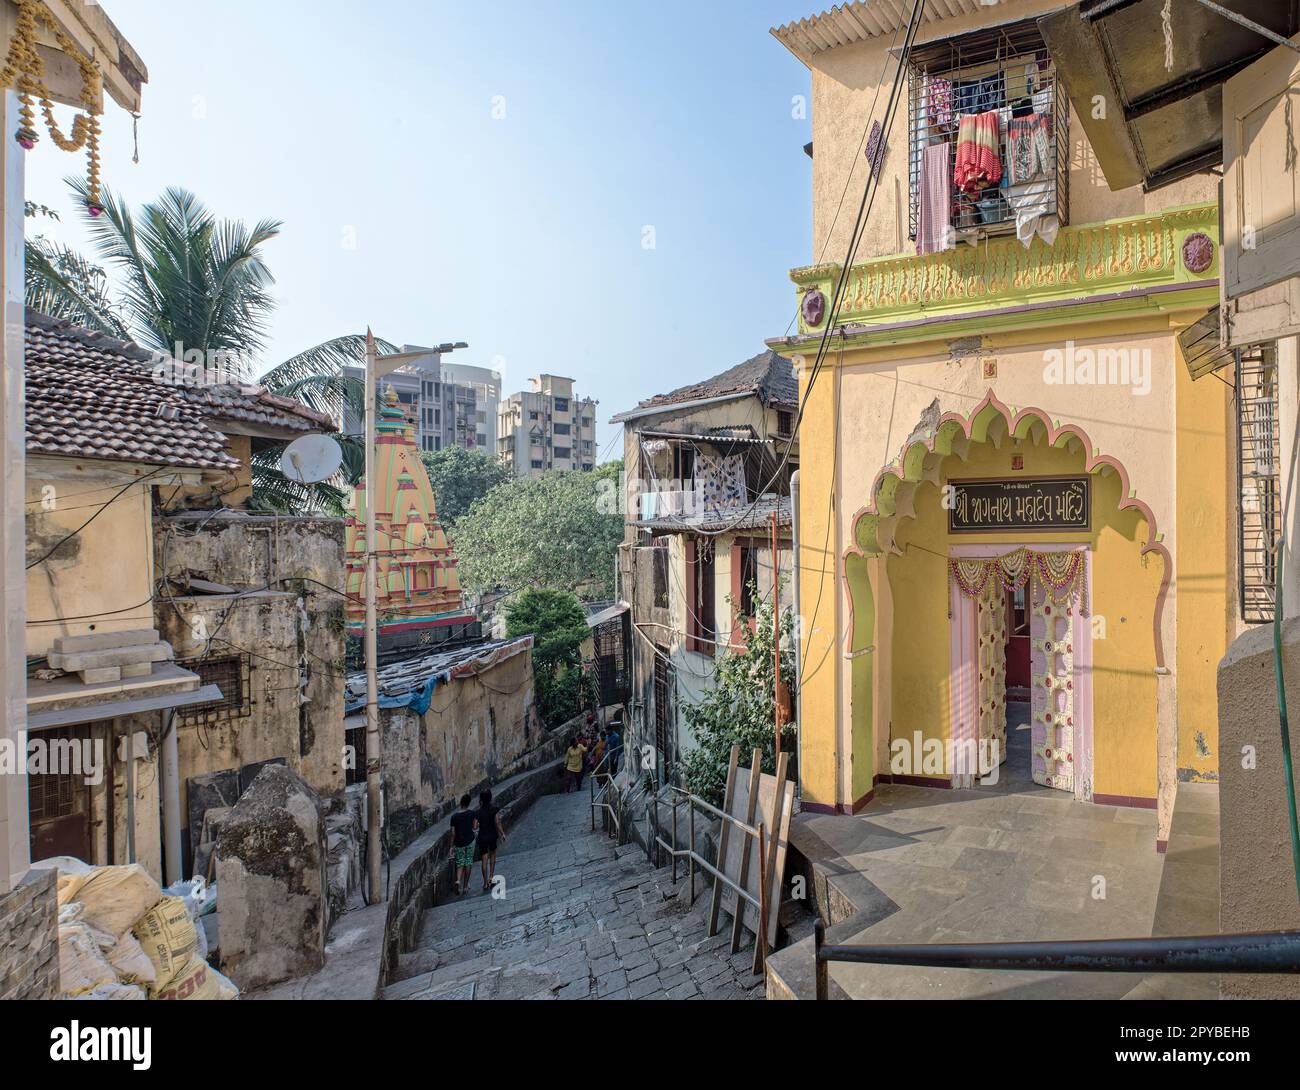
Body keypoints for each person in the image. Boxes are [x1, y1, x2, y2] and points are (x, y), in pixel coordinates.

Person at [475, 788, 505, 893]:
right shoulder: (494, 809)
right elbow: (497, 822)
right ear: (490, 797)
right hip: (492, 835)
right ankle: (491, 877)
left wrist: (479, 823)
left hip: (482, 836)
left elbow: (474, 826)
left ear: (481, 799)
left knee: (484, 859)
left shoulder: (478, 812)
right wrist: (502, 833)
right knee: (492, 855)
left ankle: (484, 882)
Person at [449, 794, 476, 896]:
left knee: (460, 862)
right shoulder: (472, 813)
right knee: (468, 861)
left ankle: (458, 881)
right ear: (468, 803)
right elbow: (474, 826)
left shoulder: (454, 817)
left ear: (460, 803)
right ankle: (465, 886)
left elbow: (453, 833)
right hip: (470, 840)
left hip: (458, 843)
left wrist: (451, 847)